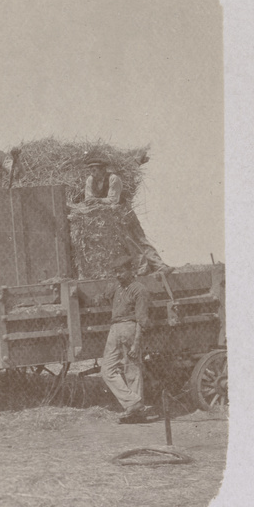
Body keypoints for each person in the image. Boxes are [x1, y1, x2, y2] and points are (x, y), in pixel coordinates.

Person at [82, 156, 173, 275]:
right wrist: (96, 201)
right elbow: (88, 199)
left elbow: (113, 200)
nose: (92, 173)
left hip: (124, 212)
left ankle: (159, 265)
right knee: (127, 242)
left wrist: (97, 201)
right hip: (110, 216)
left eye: (94, 170)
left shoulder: (113, 179)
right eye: (91, 170)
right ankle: (143, 268)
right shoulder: (90, 180)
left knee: (138, 239)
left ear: (103, 169)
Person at [101, 255, 151, 423]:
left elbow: (141, 319)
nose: (118, 275)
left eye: (121, 272)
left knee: (133, 371)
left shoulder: (139, 290)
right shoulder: (117, 287)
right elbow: (102, 298)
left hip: (130, 328)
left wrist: (136, 343)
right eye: (116, 272)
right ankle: (134, 402)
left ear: (131, 271)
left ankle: (136, 413)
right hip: (114, 329)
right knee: (107, 370)